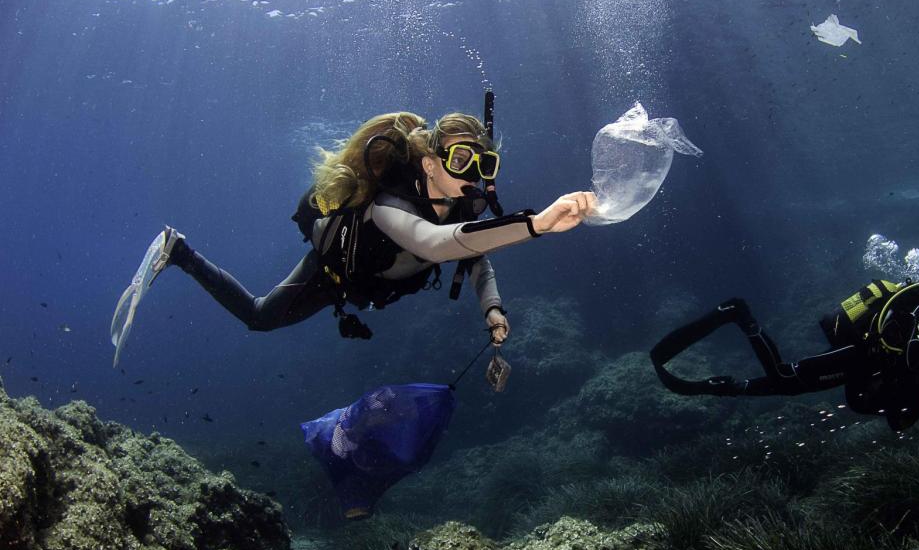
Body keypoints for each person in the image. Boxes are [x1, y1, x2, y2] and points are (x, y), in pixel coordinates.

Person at [116, 108, 596, 356]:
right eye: (462, 159)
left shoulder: (465, 202)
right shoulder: (389, 204)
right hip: (335, 274)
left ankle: (179, 252)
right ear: (430, 163)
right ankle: (179, 251)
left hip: (377, 283)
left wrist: (492, 309)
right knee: (260, 318)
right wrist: (536, 224)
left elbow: (474, 255)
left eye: (484, 164)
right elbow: (435, 244)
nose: (474, 174)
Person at [650, 267, 919, 431]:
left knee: (789, 386)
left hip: (860, 363)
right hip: (857, 356)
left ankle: (727, 387)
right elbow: (911, 358)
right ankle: (740, 314)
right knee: (785, 377)